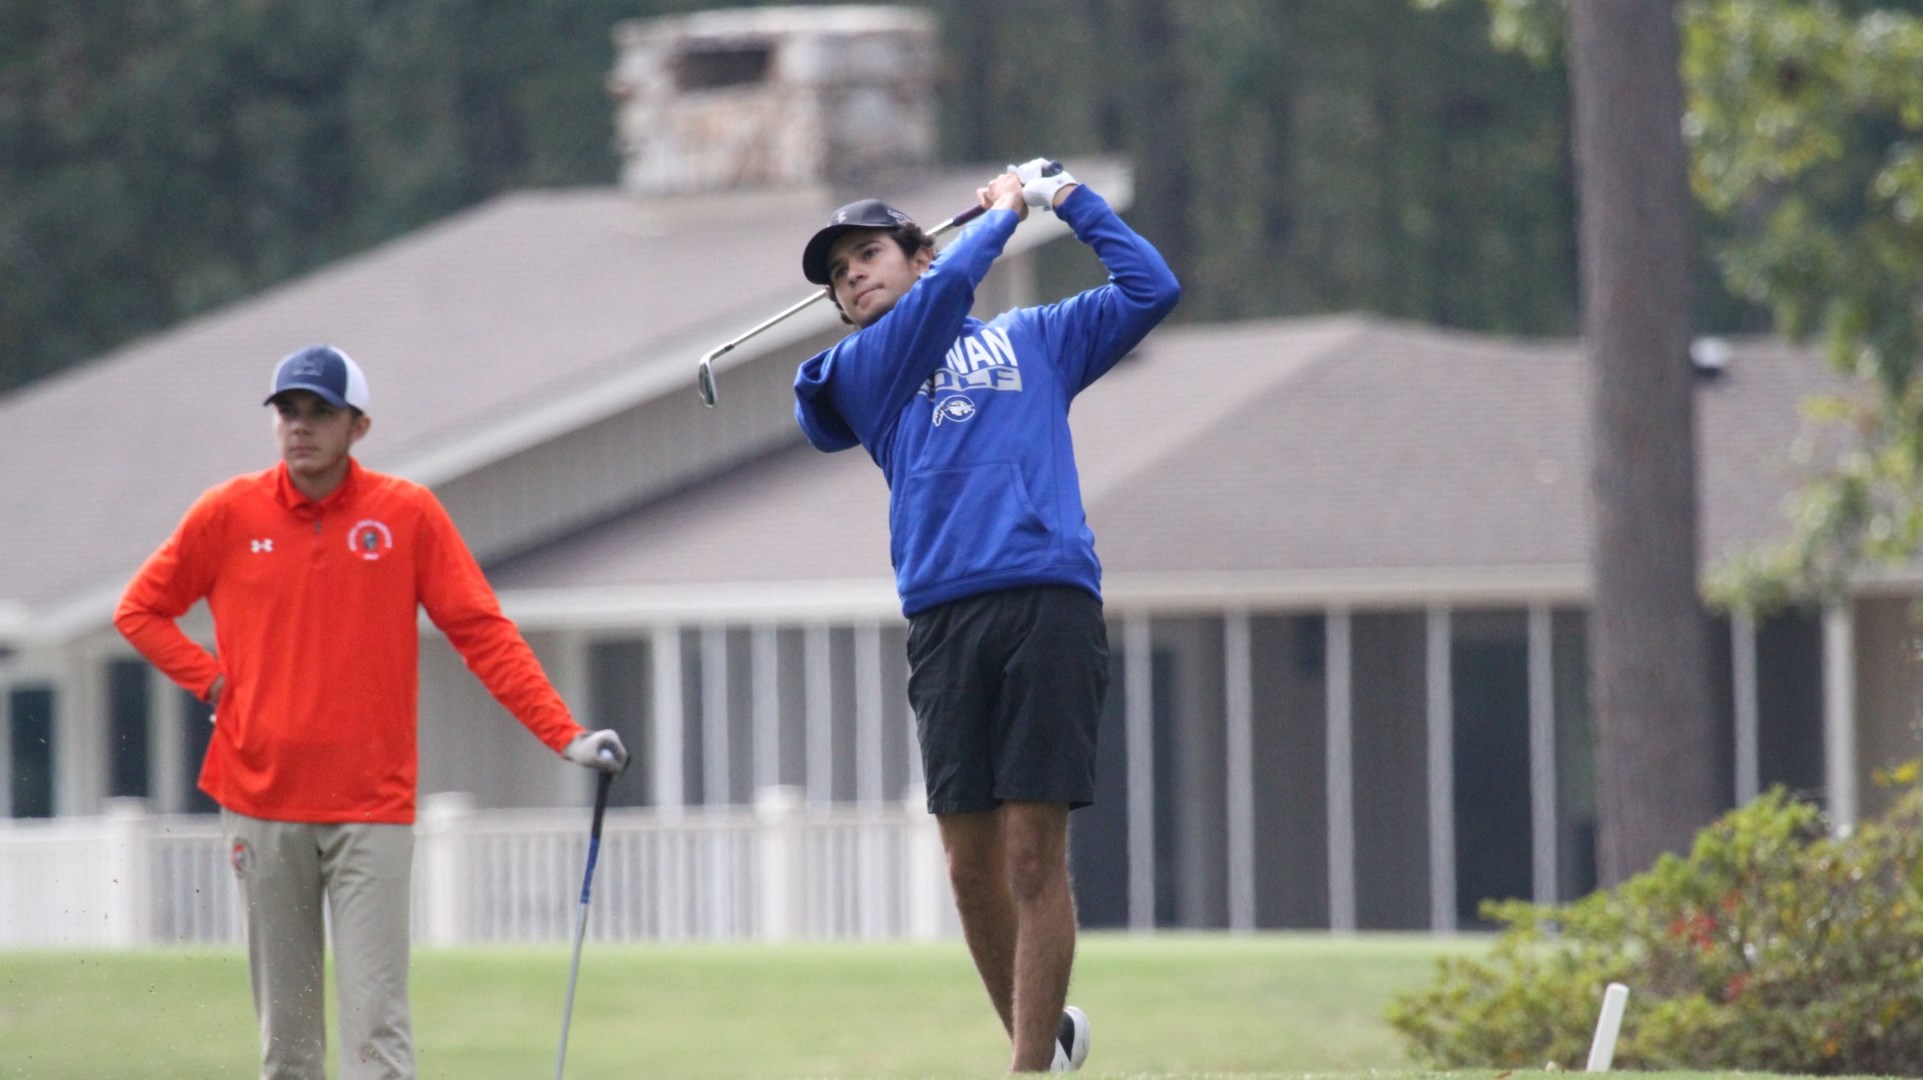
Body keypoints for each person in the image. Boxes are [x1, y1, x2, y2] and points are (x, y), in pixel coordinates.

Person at [115, 344, 629, 1080]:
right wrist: (213, 682)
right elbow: (140, 610)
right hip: (261, 803)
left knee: (378, 1041)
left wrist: (566, 735)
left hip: (370, 808)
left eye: (320, 412)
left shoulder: (406, 514)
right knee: (288, 1049)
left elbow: (480, 632)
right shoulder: (227, 513)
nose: (300, 427)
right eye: (287, 412)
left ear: (359, 426)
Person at [793, 159, 1179, 1073]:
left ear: (920, 254)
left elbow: (1150, 286)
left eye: (867, 255)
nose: (851, 277)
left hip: (1046, 599)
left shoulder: (1034, 339)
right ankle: (1042, 1041)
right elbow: (935, 309)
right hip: (942, 619)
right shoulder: (857, 370)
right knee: (971, 871)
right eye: (837, 275)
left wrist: (1069, 199)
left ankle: (1027, 1068)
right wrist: (1000, 221)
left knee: (1031, 852)